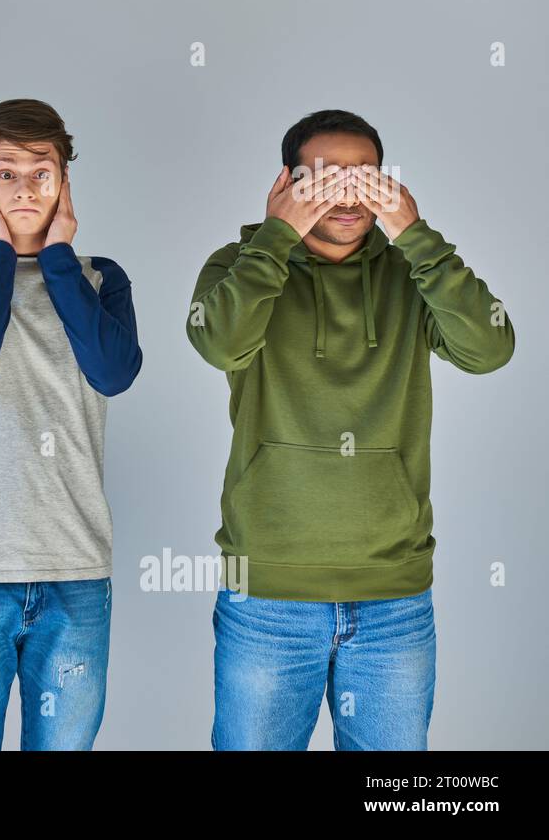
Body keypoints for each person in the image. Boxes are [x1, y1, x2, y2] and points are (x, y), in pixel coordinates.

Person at [186, 108, 515, 750]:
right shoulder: (238, 265)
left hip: (393, 598)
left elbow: (491, 349)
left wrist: (415, 235)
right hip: (269, 596)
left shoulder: (410, 274)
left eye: (365, 177)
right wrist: (277, 237)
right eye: (326, 178)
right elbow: (220, 344)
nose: (347, 193)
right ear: (286, 184)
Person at [0, 98, 142, 750]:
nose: (24, 188)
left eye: (42, 171)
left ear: (66, 181)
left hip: (75, 567)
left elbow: (114, 371)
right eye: (5, 172)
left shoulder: (101, 279)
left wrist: (59, 256)